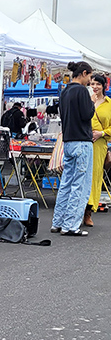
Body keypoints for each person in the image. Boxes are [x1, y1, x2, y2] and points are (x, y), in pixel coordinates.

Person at [51, 61, 95, 236]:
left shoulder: (65, 91)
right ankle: (70, 225)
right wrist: (91, 102)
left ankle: (58, 221)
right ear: (84, 73)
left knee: (67, 183)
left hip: (68, 141)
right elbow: (87, 114)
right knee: (80, 184)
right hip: (82, 141)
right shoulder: (82, 91)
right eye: (90, 77)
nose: (90, 81)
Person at [84, 73, 111, 226]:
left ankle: (89, 211)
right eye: (92, 84)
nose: (94, 87)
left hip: (99, 144)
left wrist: (102, 133)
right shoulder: (86, 100)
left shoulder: (109, 104)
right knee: (80, 175)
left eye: (98, 84)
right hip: (82, 140)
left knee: (94, 177)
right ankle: (78, 210)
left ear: (103, 86)